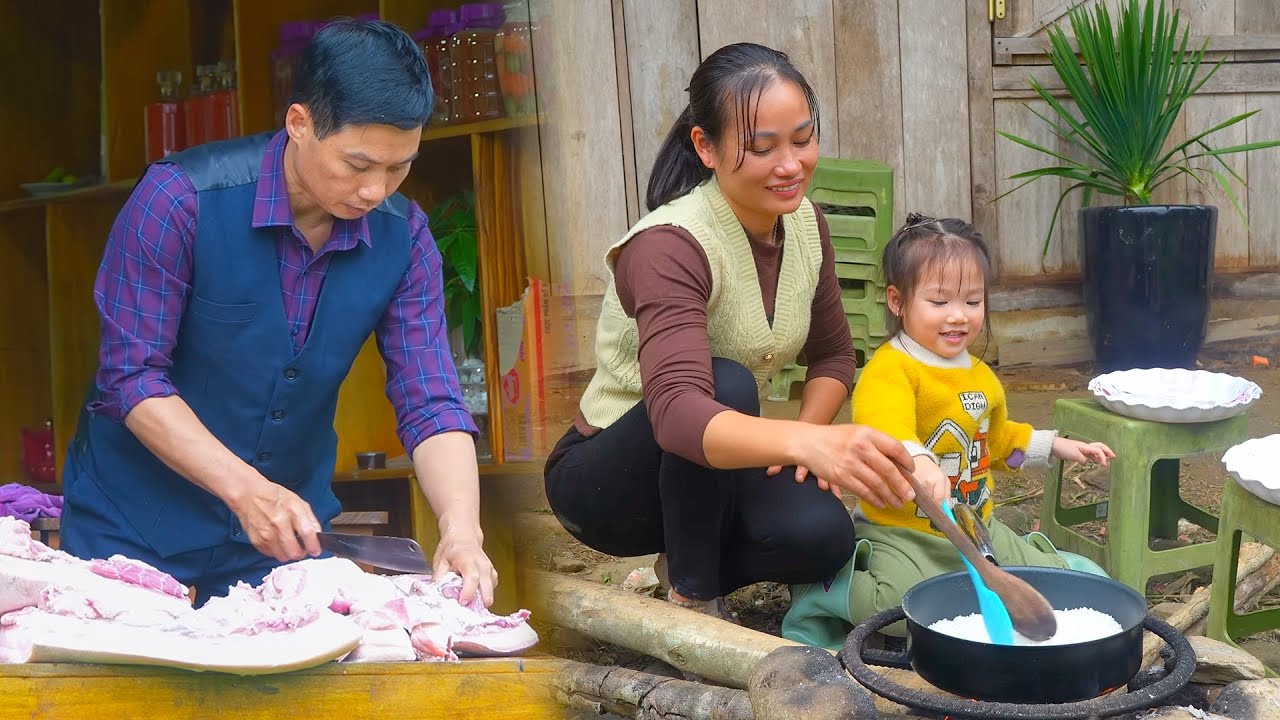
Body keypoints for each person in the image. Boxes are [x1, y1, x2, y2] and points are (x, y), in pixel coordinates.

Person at [60, 18, 496, 608]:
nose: (376, 191)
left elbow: (430, 399)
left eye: (399, 168)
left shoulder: (406, 239)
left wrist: (461, 530)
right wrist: (247, 491)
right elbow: (131, 378)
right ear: (299, 124)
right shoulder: (179, 202)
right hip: (133, 526)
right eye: (359, 164)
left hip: (286, 542)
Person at [543, 42, 918, 623]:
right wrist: (807, 445)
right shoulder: (669, 246)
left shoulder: (805, 225)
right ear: (706, 147)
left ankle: (689, 565)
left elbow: (835, 356)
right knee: (724, 383)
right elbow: (676, 414)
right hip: (608, 483)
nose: (791, 164)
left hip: (712, 470)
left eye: (803, 138)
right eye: (763, 147)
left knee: (822, 536)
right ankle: (695, 600)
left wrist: (806, 444)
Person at [782, 213, 1114, 650]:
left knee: (1071, 589)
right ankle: (825, 591)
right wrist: (917, 458)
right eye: (939, 302)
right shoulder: (891, 369)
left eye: (972, 302)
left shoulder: (979, 375)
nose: (958, 317)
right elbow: (884, 424)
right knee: (901, 613)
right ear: (898, 301)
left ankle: (1037, 562)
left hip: (978, 527)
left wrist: (1054, 445)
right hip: (904, 531)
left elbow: (995, 444)